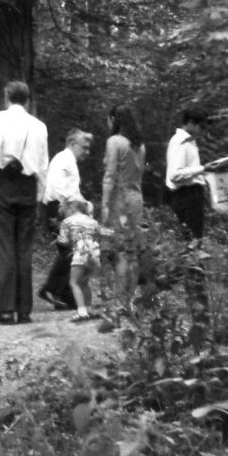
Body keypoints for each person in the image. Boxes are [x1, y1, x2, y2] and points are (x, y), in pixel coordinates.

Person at [0, 81, 49, 326]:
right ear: (27, 99)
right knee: (24, 247)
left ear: (6, 97)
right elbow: (43, 165)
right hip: (28, 186)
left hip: (4, 183)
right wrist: (39, 195)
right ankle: (24, 310)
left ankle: (5, 309)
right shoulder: (39, 126)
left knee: (5, 245)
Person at [38, 129, 93, 310]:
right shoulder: (63, 159)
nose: (87, 152)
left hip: (64, 209)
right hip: (59, 209)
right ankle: (51, 289)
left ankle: (65, 296)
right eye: (84, 147)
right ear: (71, 144)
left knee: (70, 252)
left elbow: (71, 191)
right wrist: (75, 208)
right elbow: (56, 188)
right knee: (71, 251)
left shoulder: (69, 161)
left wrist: (84, 205)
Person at [101, 104, 146, 306]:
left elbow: (110, 175)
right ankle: (129, 300)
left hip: (120, 199)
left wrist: (104, 204)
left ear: (113, 120)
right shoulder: (140, 145)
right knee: (133, 253)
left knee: (120, 252)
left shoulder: (114, 141)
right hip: (137, 198)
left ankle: (120, 303)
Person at [165, 105, 210, 240]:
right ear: (190, 122)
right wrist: (204, 169)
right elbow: (175, 175)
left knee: (194, 237)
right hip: (187, 195)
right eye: (200, 126)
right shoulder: (180, 141)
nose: (202, 130)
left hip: (192, 194)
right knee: (191, 239)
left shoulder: (189, 141)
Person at [57, 200, 103, 322]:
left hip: (79, 252)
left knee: (74, 282)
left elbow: (64, 241)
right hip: (94, 252)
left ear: (71, 209)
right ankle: (89, 309)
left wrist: (59, 239)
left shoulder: (67, 222)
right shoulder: (93, 221)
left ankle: (81, 312)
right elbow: (99, 234)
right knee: (84, 282)